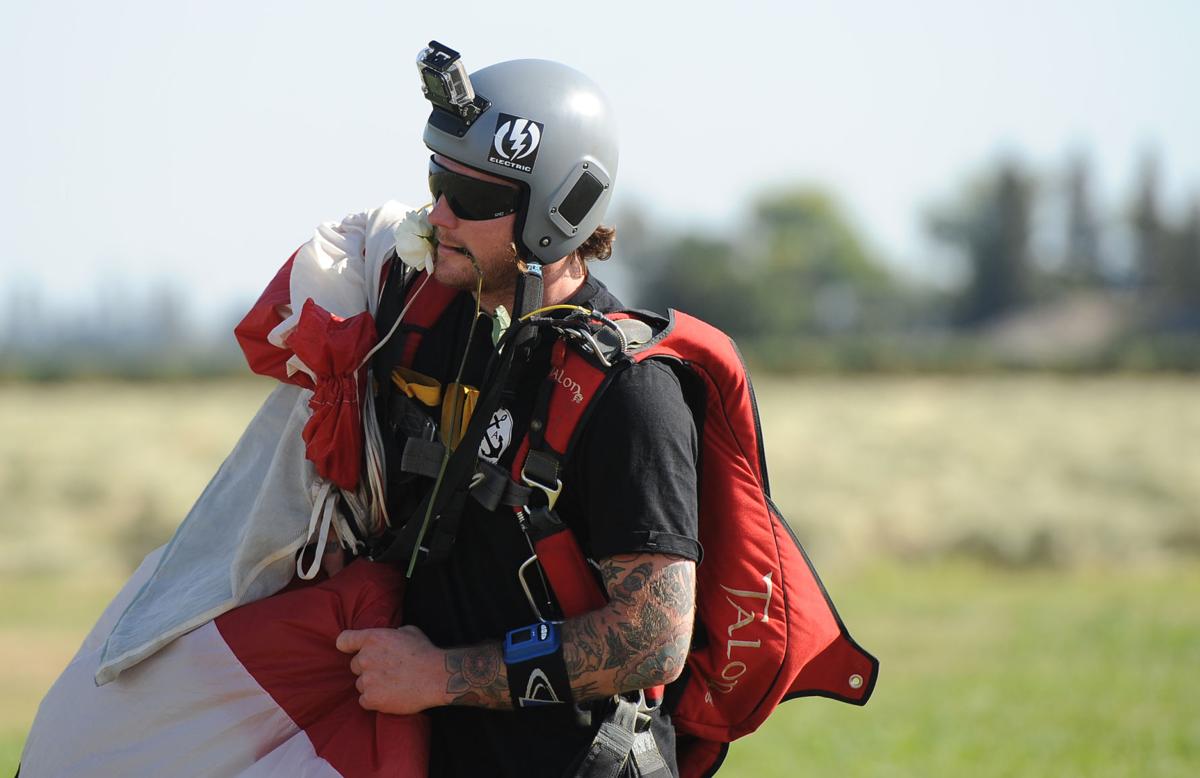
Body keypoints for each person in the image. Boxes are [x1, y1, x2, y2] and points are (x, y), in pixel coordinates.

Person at [332, 47, 703, 776]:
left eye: (472, 199)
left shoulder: (631, 393)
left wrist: (442, 676)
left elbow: (652, 638)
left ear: (556, 214)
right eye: (438, 182)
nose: (439, 214)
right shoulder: (427, 328)